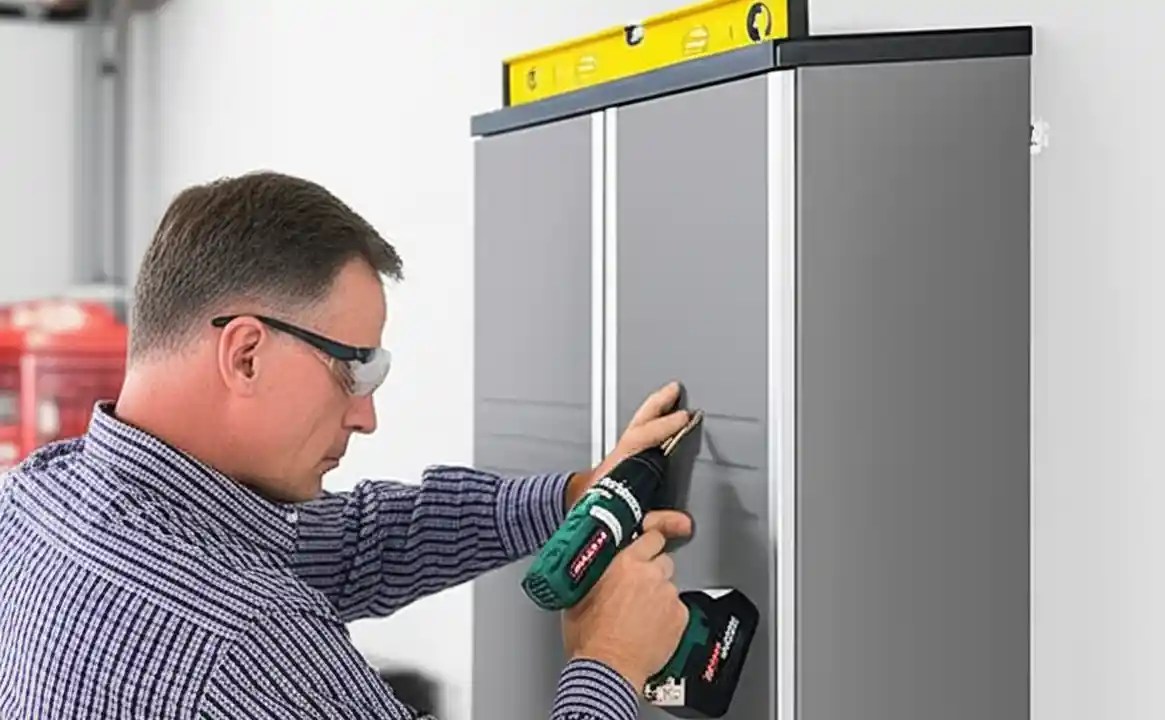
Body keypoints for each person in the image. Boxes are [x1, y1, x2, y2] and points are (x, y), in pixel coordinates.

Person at [0, 171, 693, 720]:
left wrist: (577, 499)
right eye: (353, 369)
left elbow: (357, 541)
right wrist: (608, 663)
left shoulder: (41, 495)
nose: (366, 415)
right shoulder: (249, 638)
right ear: (245, 354)